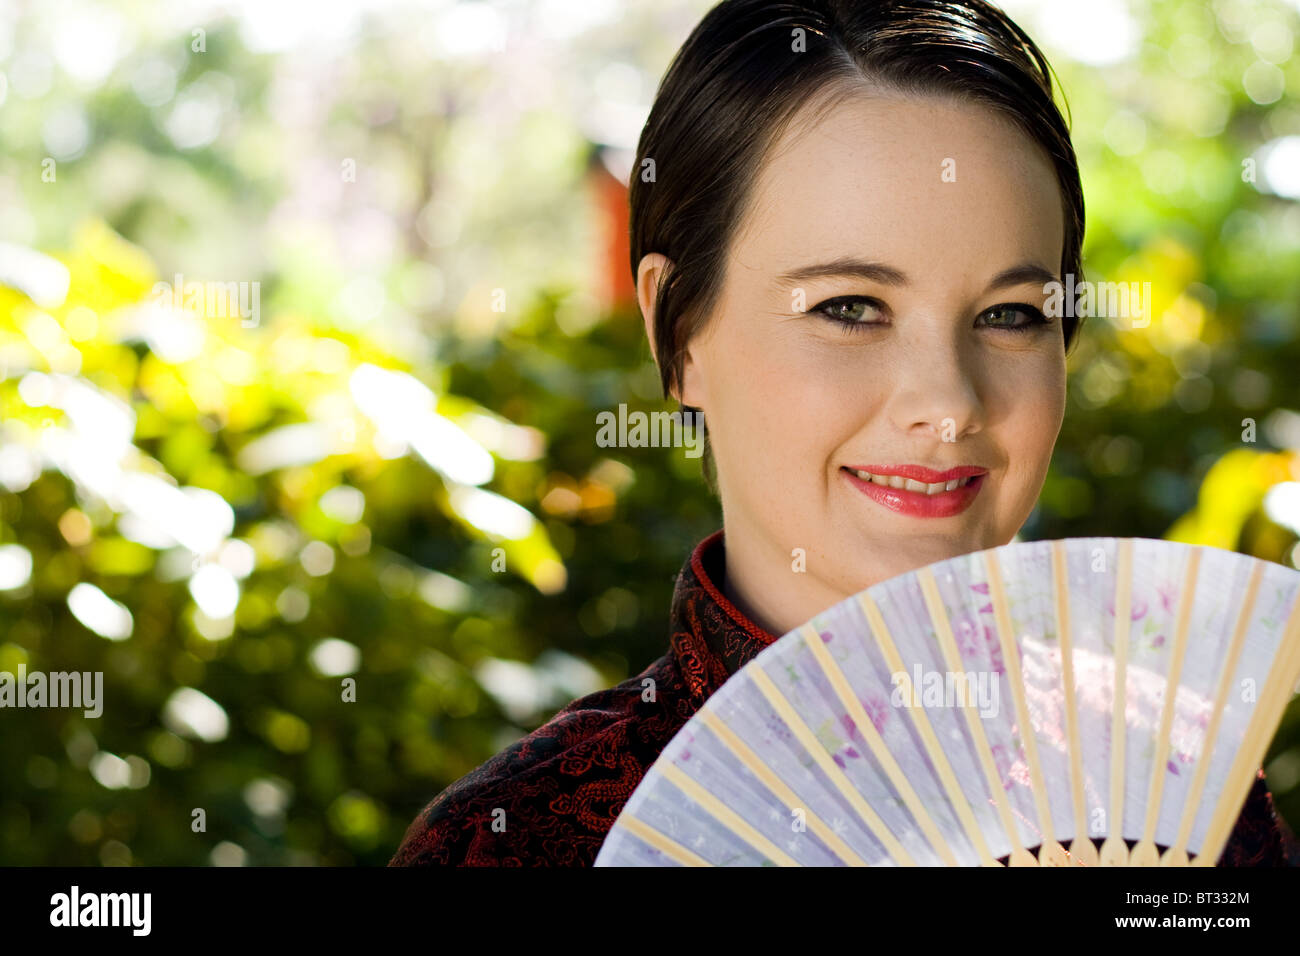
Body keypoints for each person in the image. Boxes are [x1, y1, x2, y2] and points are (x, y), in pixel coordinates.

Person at [390, 0, 1299, 866]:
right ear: (679, 329)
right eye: (851, 307)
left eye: (1012, 314)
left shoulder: (1174, 788)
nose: (948, 402)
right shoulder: (517, 843)